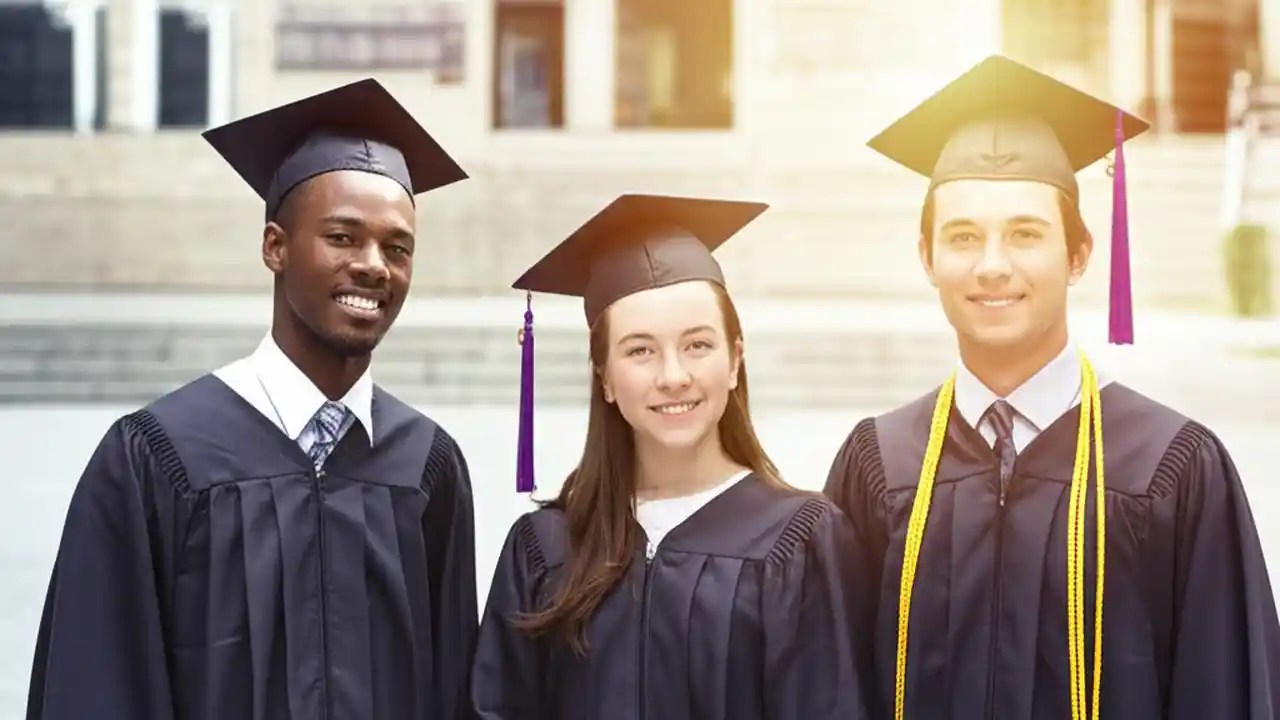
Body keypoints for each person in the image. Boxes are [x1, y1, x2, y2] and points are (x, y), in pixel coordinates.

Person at [823, 54, 1280, 719]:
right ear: (927, 258)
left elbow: (1228, 693)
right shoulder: (877, 466)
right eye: (963, 237)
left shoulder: (1176, 470)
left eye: (1025, 235)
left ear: (1078, 255)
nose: (992, 265)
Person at [26, 79, 479, 719]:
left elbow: (453, 691)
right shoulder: (158, 457)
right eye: (343, 237)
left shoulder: (427, 467)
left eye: (397, 247)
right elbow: (97, 680)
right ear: (275, 246)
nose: (375, 265)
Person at [469, 193, 871, 719]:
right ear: (605, 378)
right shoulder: (544, 549)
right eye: (640, 350)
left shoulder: (801, 540)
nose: (673, 375)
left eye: (698, 345)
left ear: (735, 361)